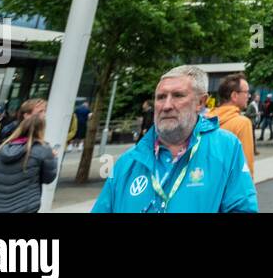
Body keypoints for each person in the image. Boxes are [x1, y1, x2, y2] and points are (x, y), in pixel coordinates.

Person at [93, 64, 257, 213]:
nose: (166, 106)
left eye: (178, 96)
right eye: (161, 97)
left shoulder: (227, 148)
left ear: (200, 102)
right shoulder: (128, 162)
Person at [0, 112, 57, 213]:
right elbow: (48, 178)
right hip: (25, 207)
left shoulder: (1, 150)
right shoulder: (43, 150)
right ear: (41, 130)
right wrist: (53, 158)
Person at [211, 72, 256, 176]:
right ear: (234, 95)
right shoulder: (242, 123)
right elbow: (245, 165)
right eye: (246, 92)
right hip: (231, 187)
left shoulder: (207, 120)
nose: (249, 96)